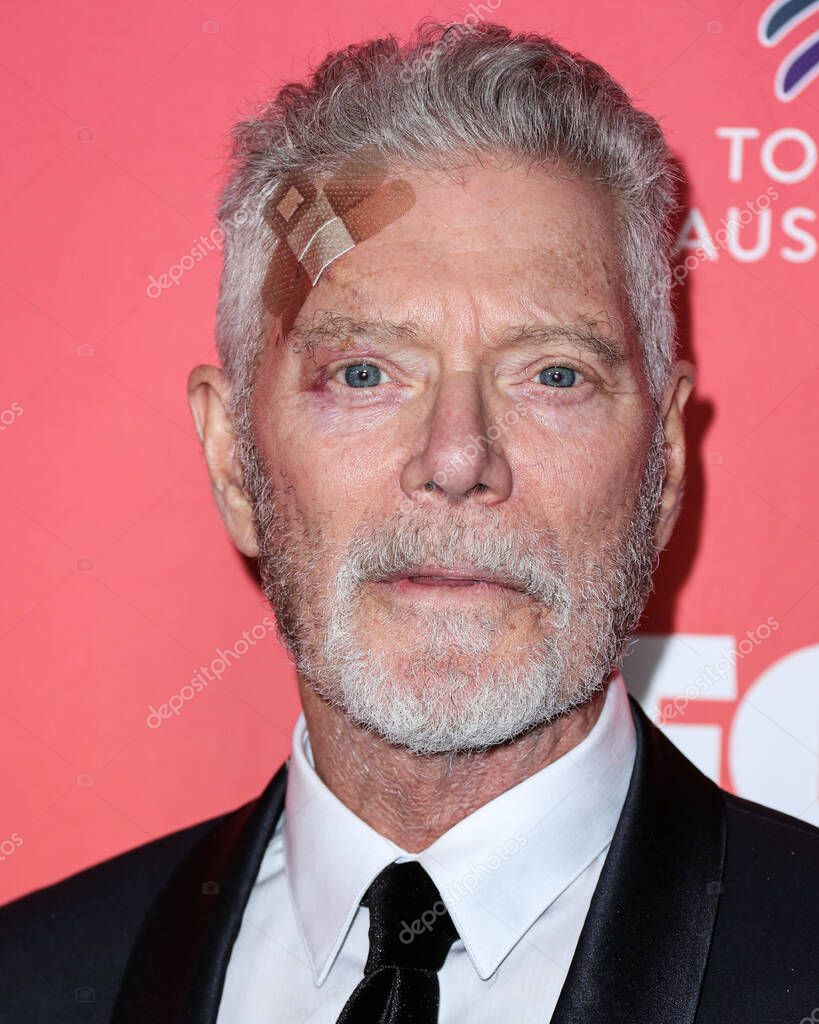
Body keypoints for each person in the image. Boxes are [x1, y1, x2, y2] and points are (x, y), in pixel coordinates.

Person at [1, 22, 816, 1024]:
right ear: (233, 460)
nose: (458, 457)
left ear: (664, 469)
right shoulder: (29, 982)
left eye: (553, 375)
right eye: (362, 374)